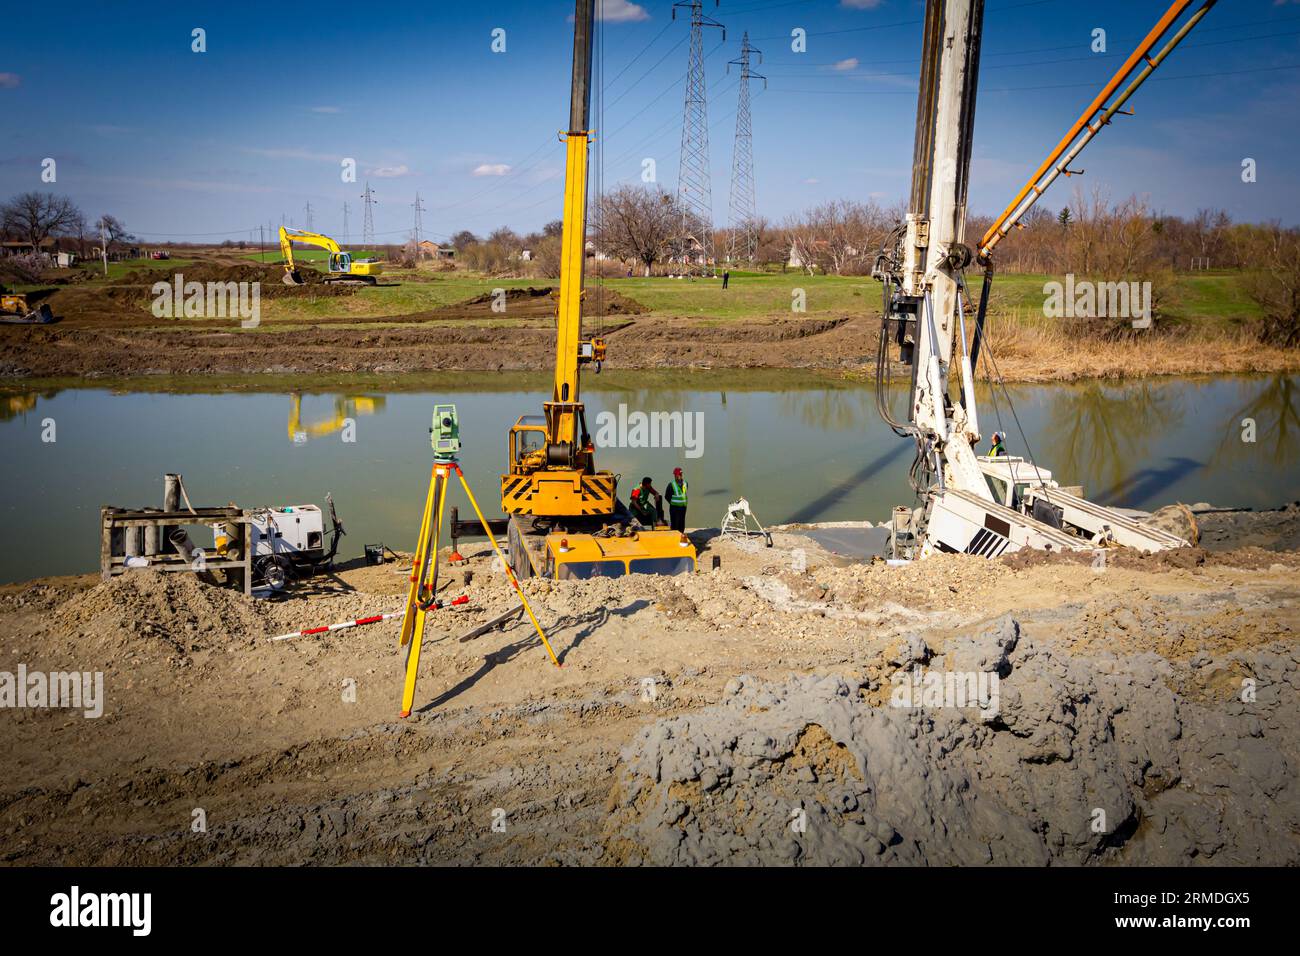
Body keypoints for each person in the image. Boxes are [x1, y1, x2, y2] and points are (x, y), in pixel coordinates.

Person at [666, 467, 688, 533]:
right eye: (678, 474)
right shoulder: (671, 485)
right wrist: (673, 502)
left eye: (681, 474)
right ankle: (674, 537)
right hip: (674, 508)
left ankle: (681, 535)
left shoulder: (685, 483)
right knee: (674, 524)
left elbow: (684, 493)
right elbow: (667, 496)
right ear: (675, 475)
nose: (680, 476)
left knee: (681, 523)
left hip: (683, 507)